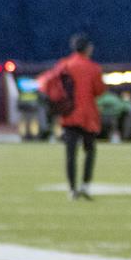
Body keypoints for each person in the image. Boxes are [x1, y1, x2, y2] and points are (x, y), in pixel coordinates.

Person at [42, 33, 106, 200]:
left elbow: (47, 82)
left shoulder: (64, 65)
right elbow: (99, 90)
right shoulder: (93, 67)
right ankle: (85, 185)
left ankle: (72, 189)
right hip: (87, 115)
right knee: (90, 150)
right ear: (87, 48)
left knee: (70, 154)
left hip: (69, 114)